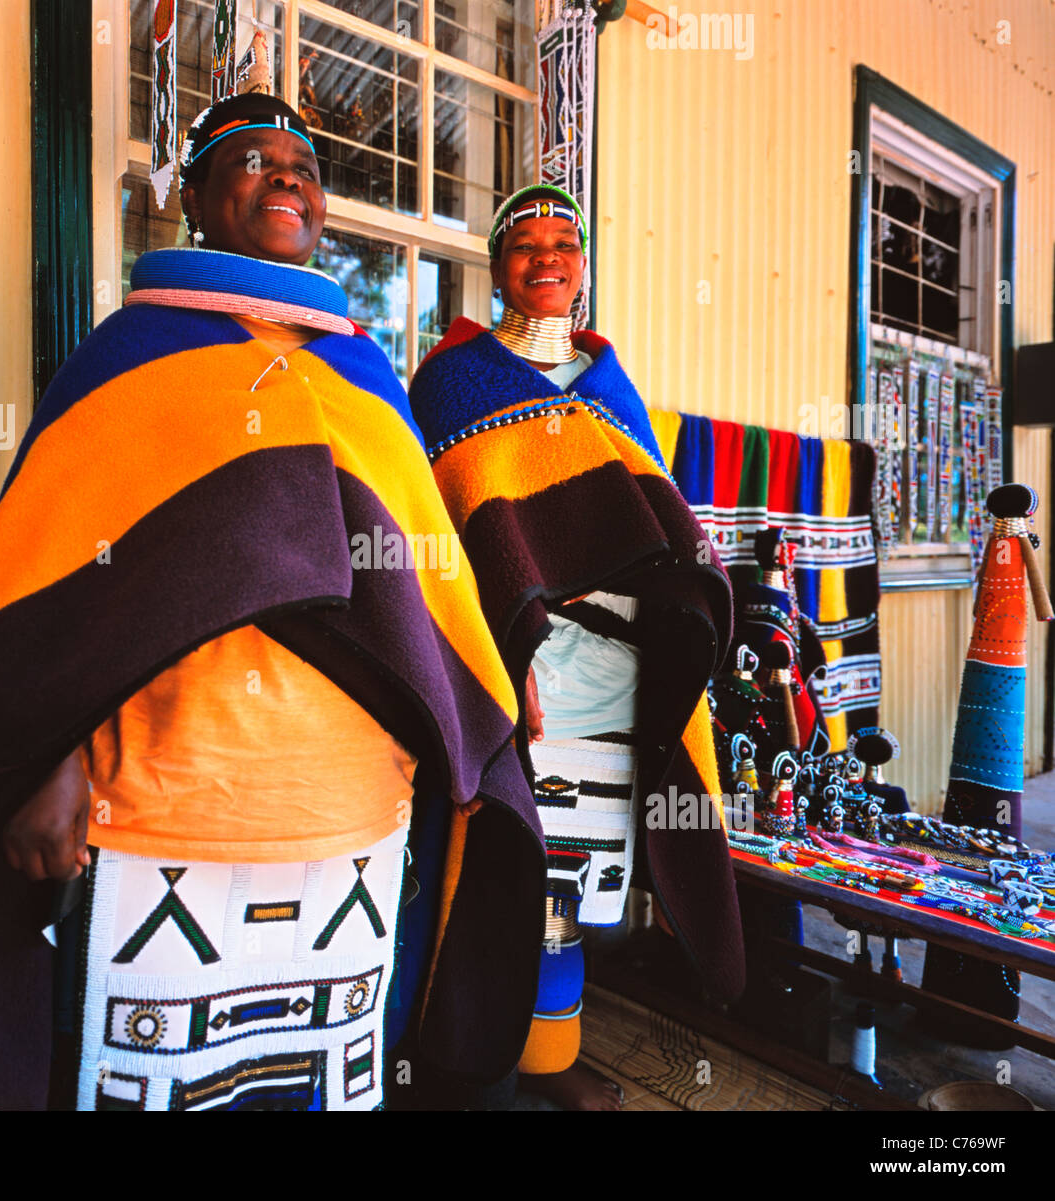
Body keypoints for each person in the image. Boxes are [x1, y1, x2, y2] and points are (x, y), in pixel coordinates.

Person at [0, 93, 544, 1111]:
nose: (287, 176)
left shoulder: (367, 378)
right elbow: (37, 590)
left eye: (305, 167)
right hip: (158, 821)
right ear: (191, 198)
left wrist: (483, 708)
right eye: (250, 159)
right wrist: (42, 749)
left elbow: (425, 593)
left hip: (350, 842)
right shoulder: (128, 359)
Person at [409, 184, 746, 1110]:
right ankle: (485, 1067)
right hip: (522, 669)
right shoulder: (451, 383)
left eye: (566, 243)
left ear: (584, 267)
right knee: (512, 873)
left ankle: (548, 1063)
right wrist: (493, 661)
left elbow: (657, 525)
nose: (547, 258)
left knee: (584, 887)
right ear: (496, 262)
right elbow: (440, 546)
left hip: (619, 671)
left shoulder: (610, 384)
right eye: (526, 243)